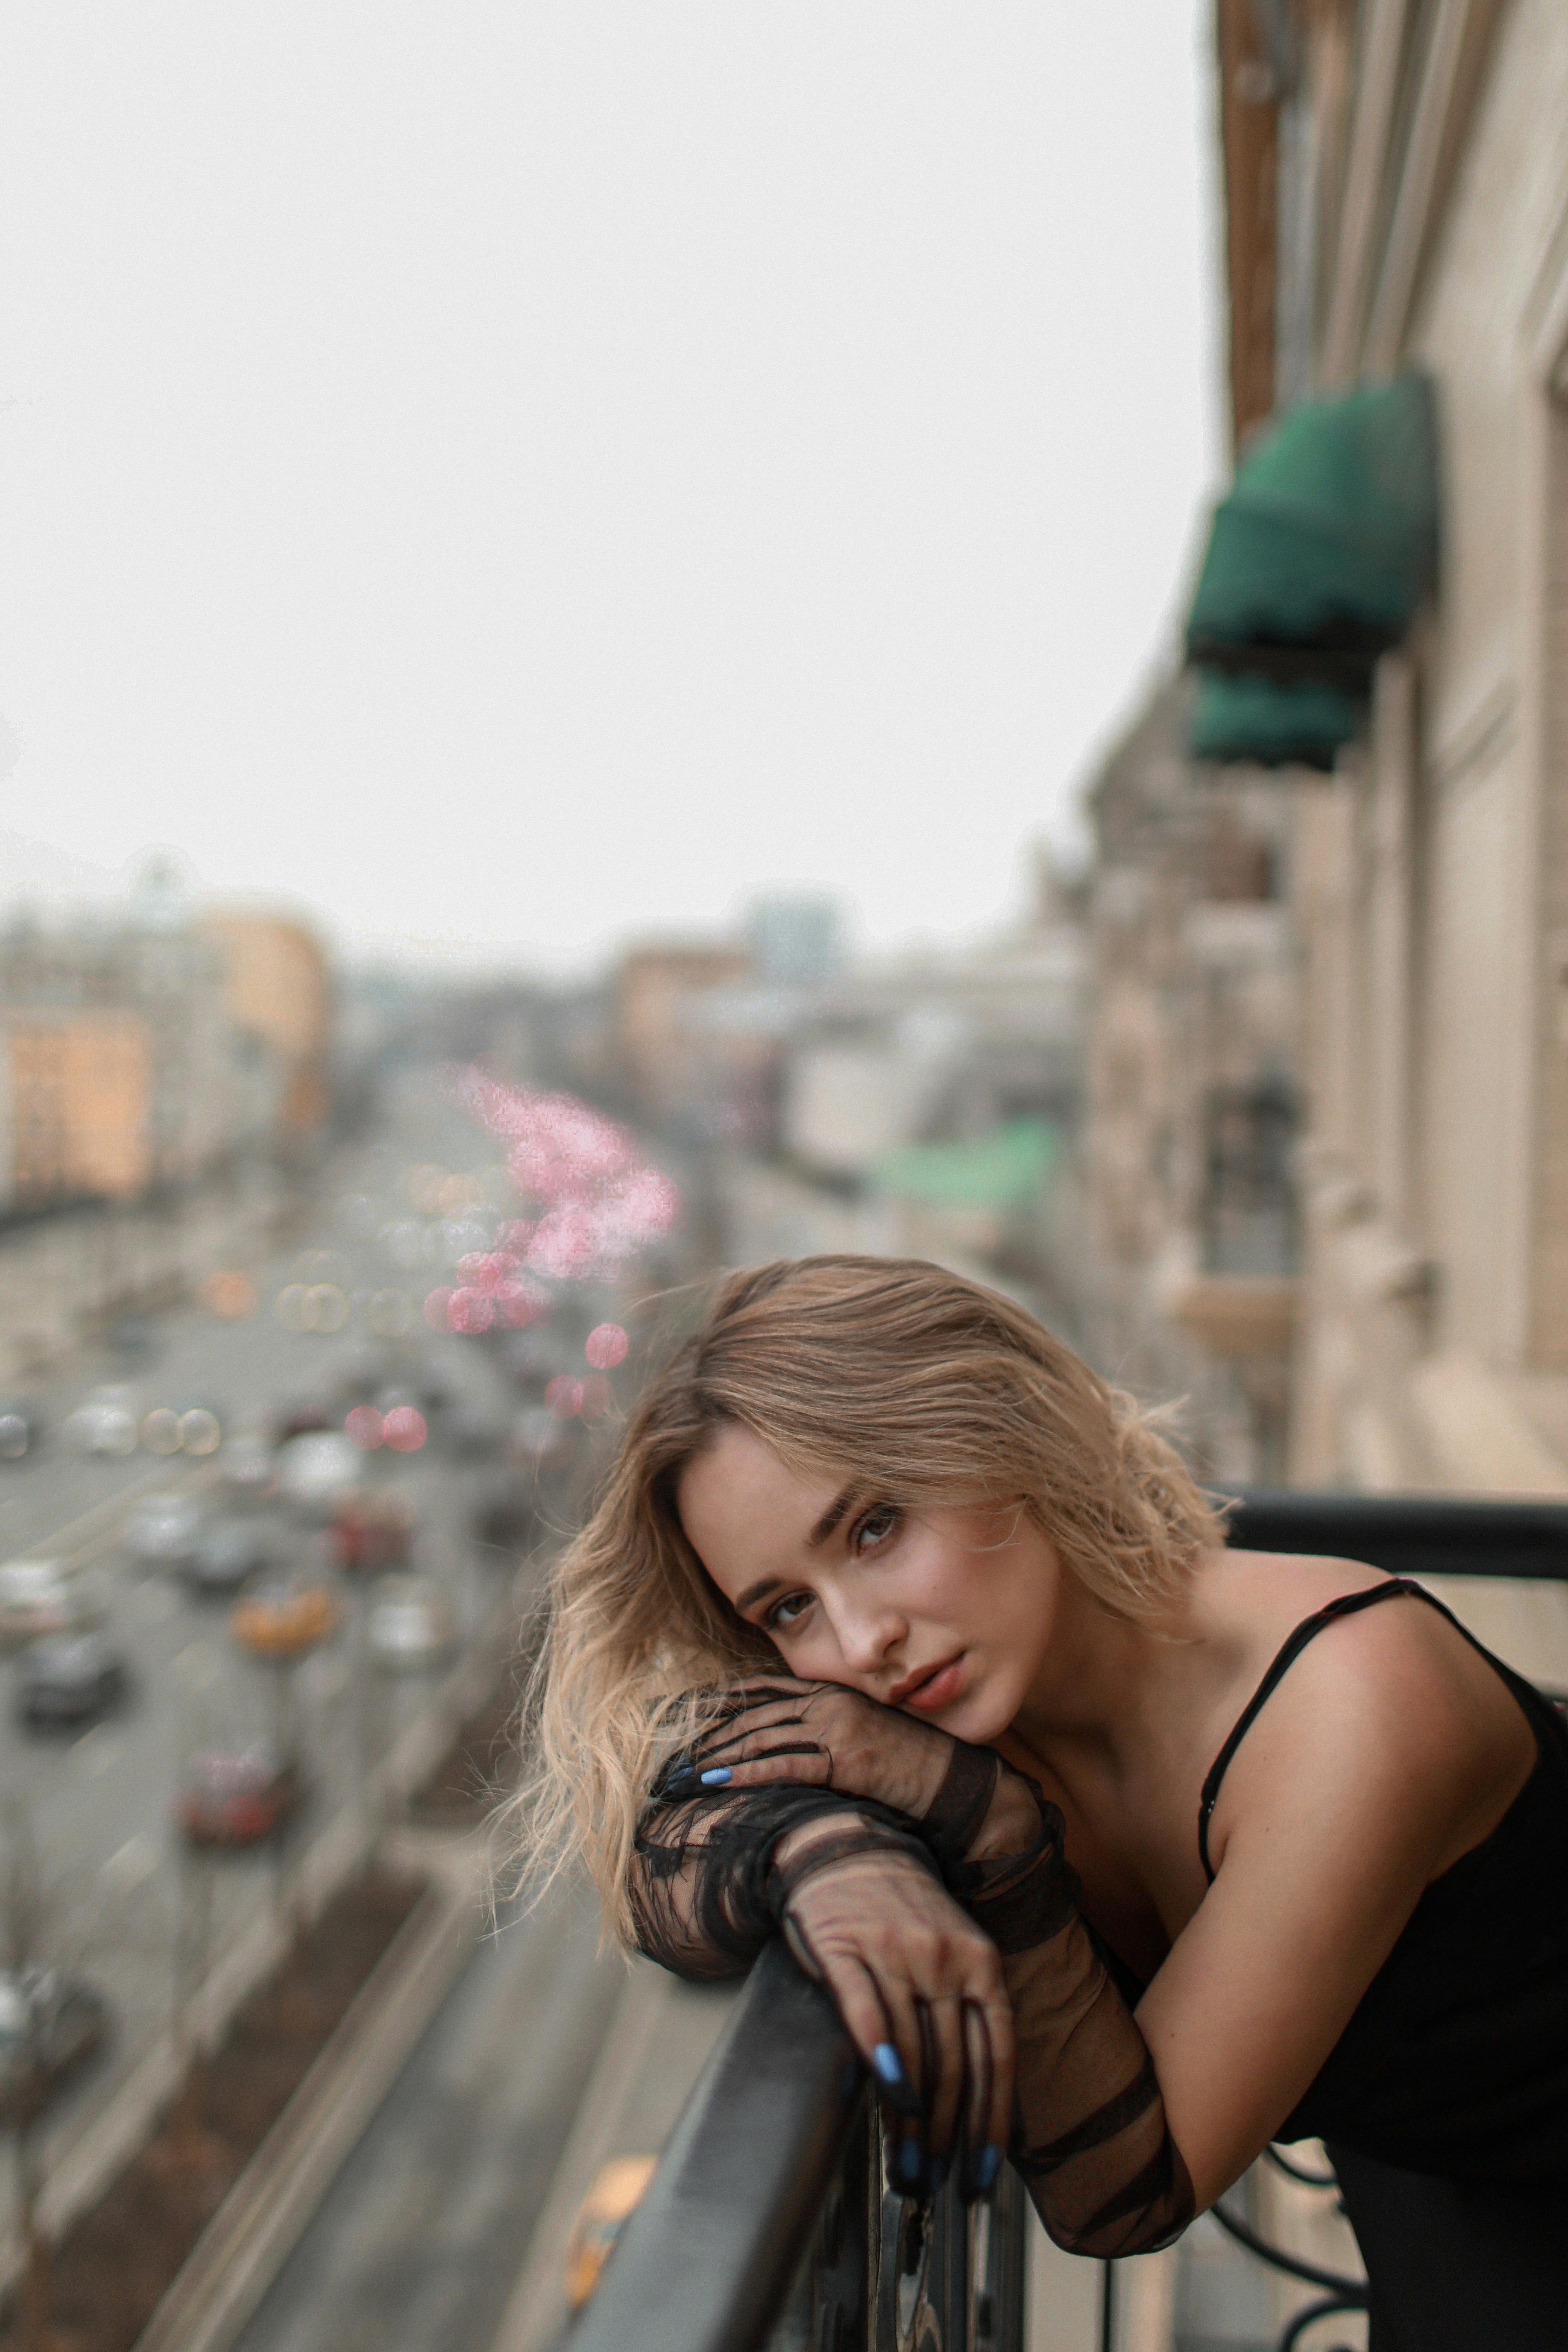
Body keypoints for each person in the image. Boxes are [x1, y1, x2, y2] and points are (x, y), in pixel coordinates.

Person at [522, 1256, 1568, 2349]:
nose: (858, 1640)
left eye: (876, 1526)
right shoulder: (963, 1702)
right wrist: (832, 1852)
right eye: (789, 1606)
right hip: (1431, 2201)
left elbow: (1127, 2186)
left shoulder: (1354, 1699)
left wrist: (982, 1823)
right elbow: (678, 1834)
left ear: (1004, 1428)